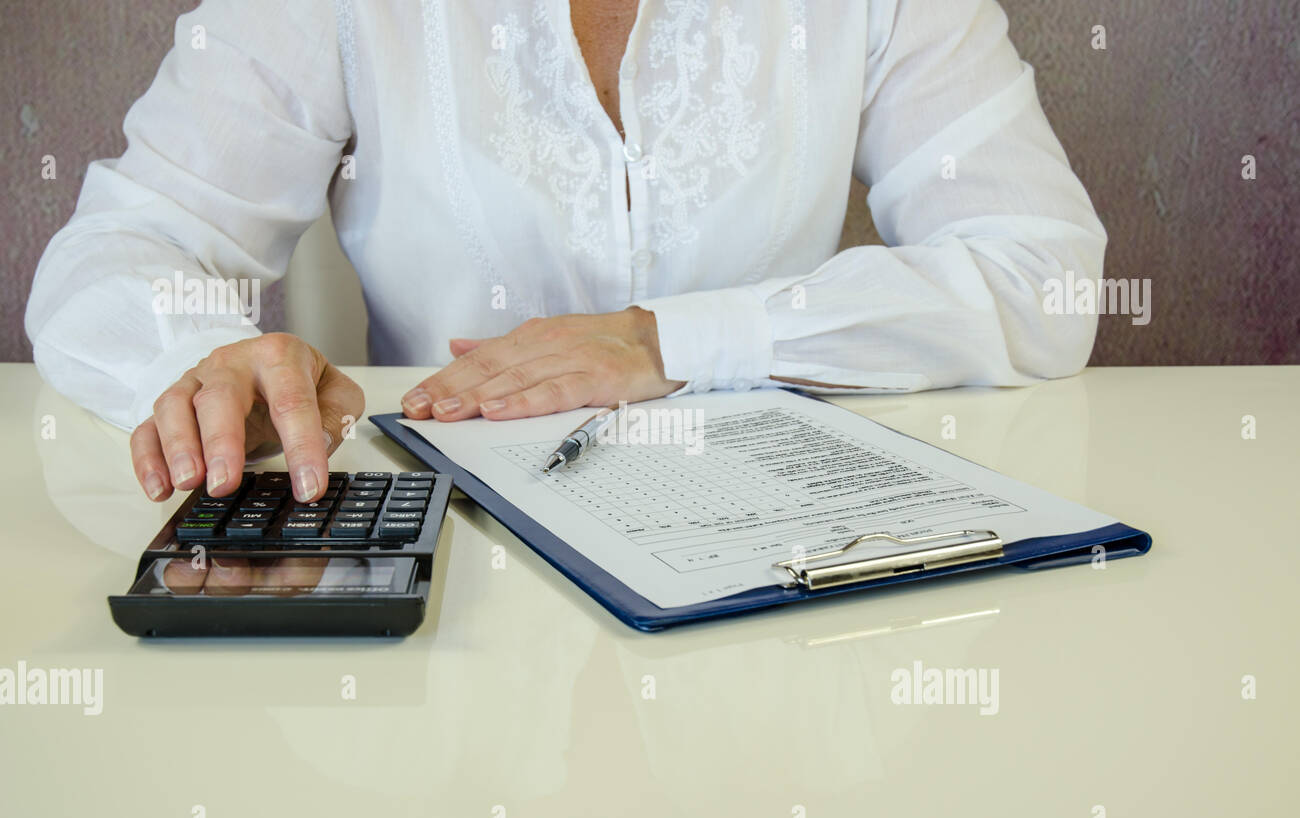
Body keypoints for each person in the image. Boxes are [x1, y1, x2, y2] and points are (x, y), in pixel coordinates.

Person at [25, 0, 1106, 505]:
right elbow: (119, 250)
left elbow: (1041, 270)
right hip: (455, 553)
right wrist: (212, 362)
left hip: (781, 542)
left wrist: (671, 340)